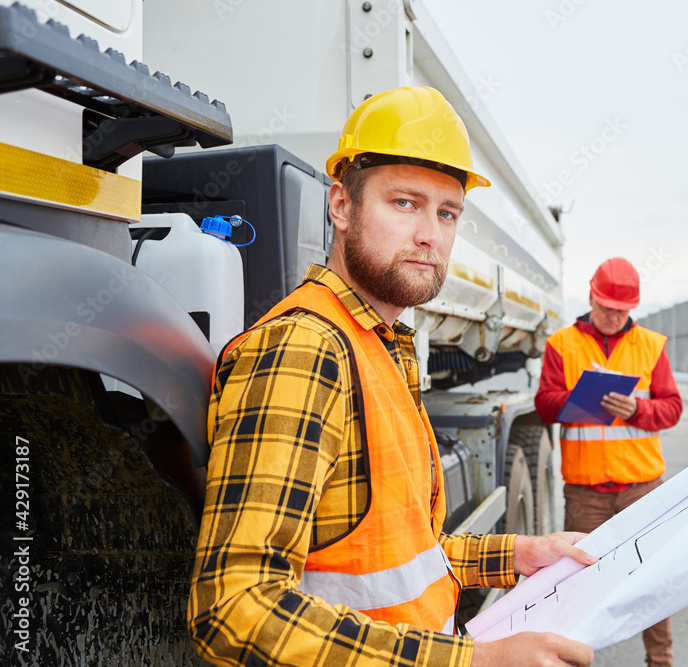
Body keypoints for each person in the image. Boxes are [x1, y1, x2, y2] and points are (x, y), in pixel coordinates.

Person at [188, 86, 596, 667]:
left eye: (447, 212)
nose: (430, 233)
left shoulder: (377, 344)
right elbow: (235, 610)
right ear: (341, 206)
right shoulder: (304, 350)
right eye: (404, 203)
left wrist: (522, 554)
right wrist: (476, 662)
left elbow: (401, 557)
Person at [534, 257, 684, 667]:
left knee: (651, 580)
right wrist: (578, 400)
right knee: (580, 588)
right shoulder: (561, 344)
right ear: (590, 298)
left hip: (641, 488)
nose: (614, 317)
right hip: (585, 493)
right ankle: (573, 661)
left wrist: (636, 409)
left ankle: (661, 662)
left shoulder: (652, 345)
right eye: (606, 309)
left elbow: (671, 409)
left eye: (622, 311)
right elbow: (544, 405)